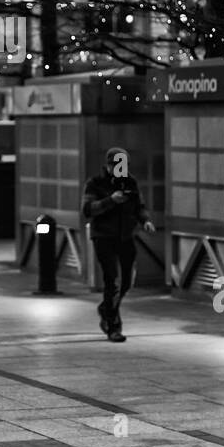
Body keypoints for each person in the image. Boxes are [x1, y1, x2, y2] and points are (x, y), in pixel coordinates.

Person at [82, 146, 155, 342]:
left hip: (126, 236)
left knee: (127, 282)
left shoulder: (130, 182)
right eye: (117, 165)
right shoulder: (95, 183)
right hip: (104, 237)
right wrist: (110, 200)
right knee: (112, 281)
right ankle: (113, 326)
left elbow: (139, 206)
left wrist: (145, 220)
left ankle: (106, 308)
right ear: (108, 165)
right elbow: (88, 209)